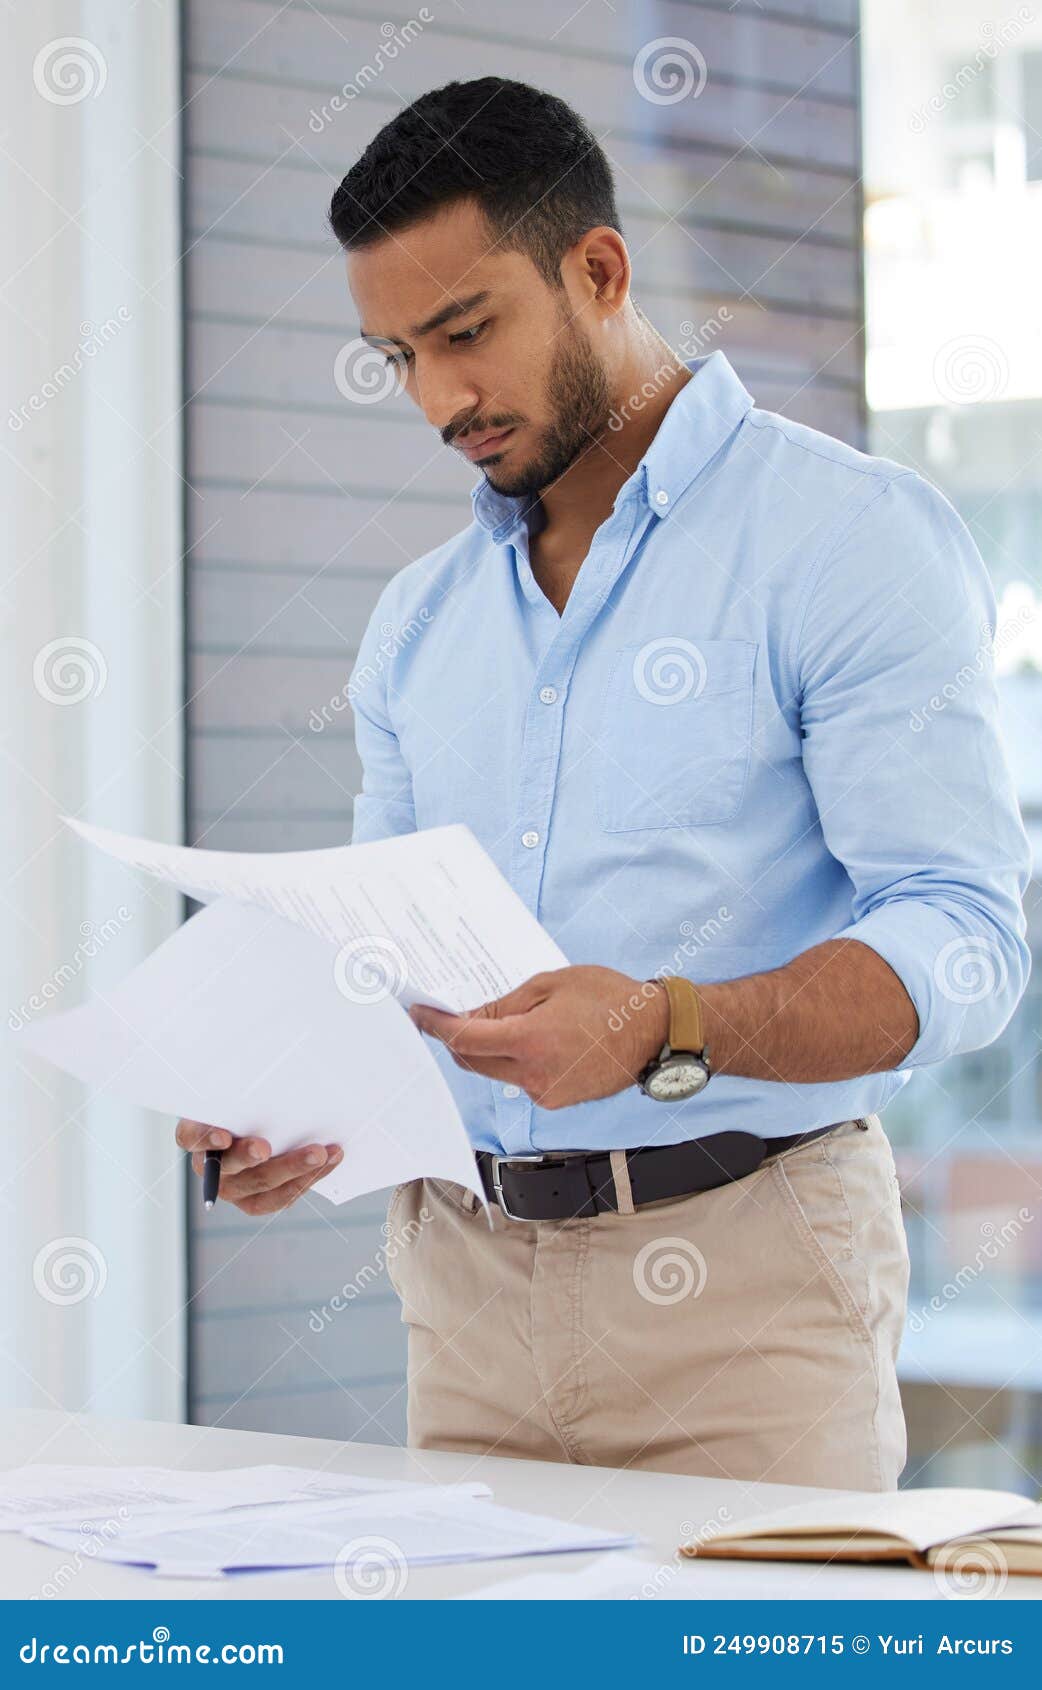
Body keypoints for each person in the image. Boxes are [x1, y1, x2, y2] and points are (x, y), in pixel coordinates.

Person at [177, 78, 1030, 1489]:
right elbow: (377, 955)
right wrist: (284, 1091)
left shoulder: (842, 539)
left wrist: (661, 1022)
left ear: (600, 270)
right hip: (459, 1287)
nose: (439, 396)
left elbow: (964, 935)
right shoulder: (419, 622)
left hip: (749, 1294)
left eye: (467, 332)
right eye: (396, 355)